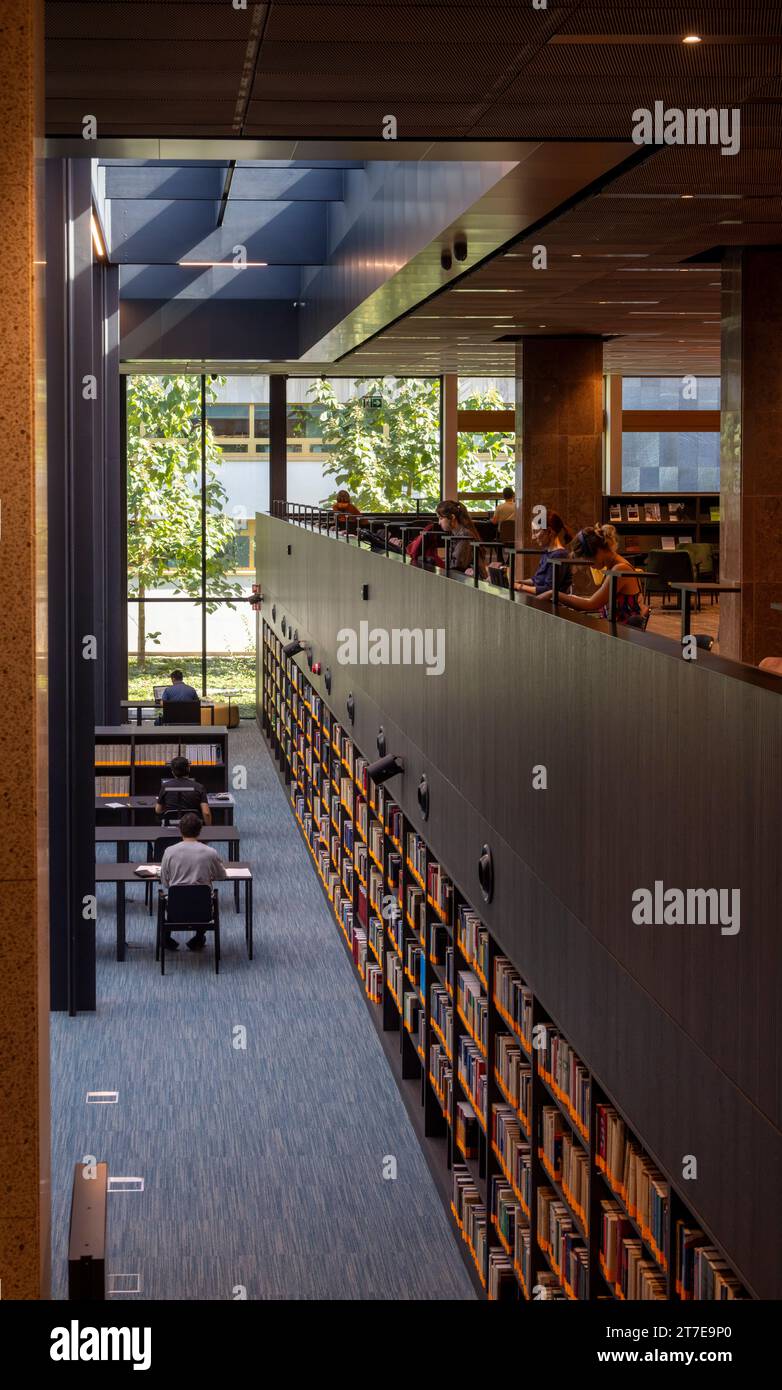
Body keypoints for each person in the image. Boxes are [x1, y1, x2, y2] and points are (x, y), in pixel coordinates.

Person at [540, 525, 648, 627]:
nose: (591, 566)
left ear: (599, 551)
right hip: (615, 628)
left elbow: (591, 604)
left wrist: (553, 594)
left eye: (590, 561)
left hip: (623, 634)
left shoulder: (619, 569)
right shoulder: (614, 566)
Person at [159, 811, 227, 950]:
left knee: (169, 898)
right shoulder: (210, 852)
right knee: (207, 898)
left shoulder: (169, 851)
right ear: (200, 830)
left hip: (175, 908)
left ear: (180, 829)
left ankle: (166, 938)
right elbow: (222, 875)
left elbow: (165, 882)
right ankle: (198, 937)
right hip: (203, 909)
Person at [514, 510, 573, 595]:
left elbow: (548, 590)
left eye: (536, 532)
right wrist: (518, 582)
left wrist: (519, 586)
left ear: (549, 532)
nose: (533, 537)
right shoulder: (548, 552)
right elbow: (536, 580)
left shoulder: (559, 555)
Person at [436, 500, 488, 579]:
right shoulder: (457, 534)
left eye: (441, 518)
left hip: (475, 582)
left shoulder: (465, 535)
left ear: (452, 517)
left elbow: (457, 565)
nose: (439, 522)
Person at [155, 755, 212, 825]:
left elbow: (158, 810)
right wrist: (209, 829)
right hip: (193, 828)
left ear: (172, 772)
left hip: (171, 828)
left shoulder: (165, 786)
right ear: (189, 769)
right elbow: (206, 813)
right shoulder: (199, 787)